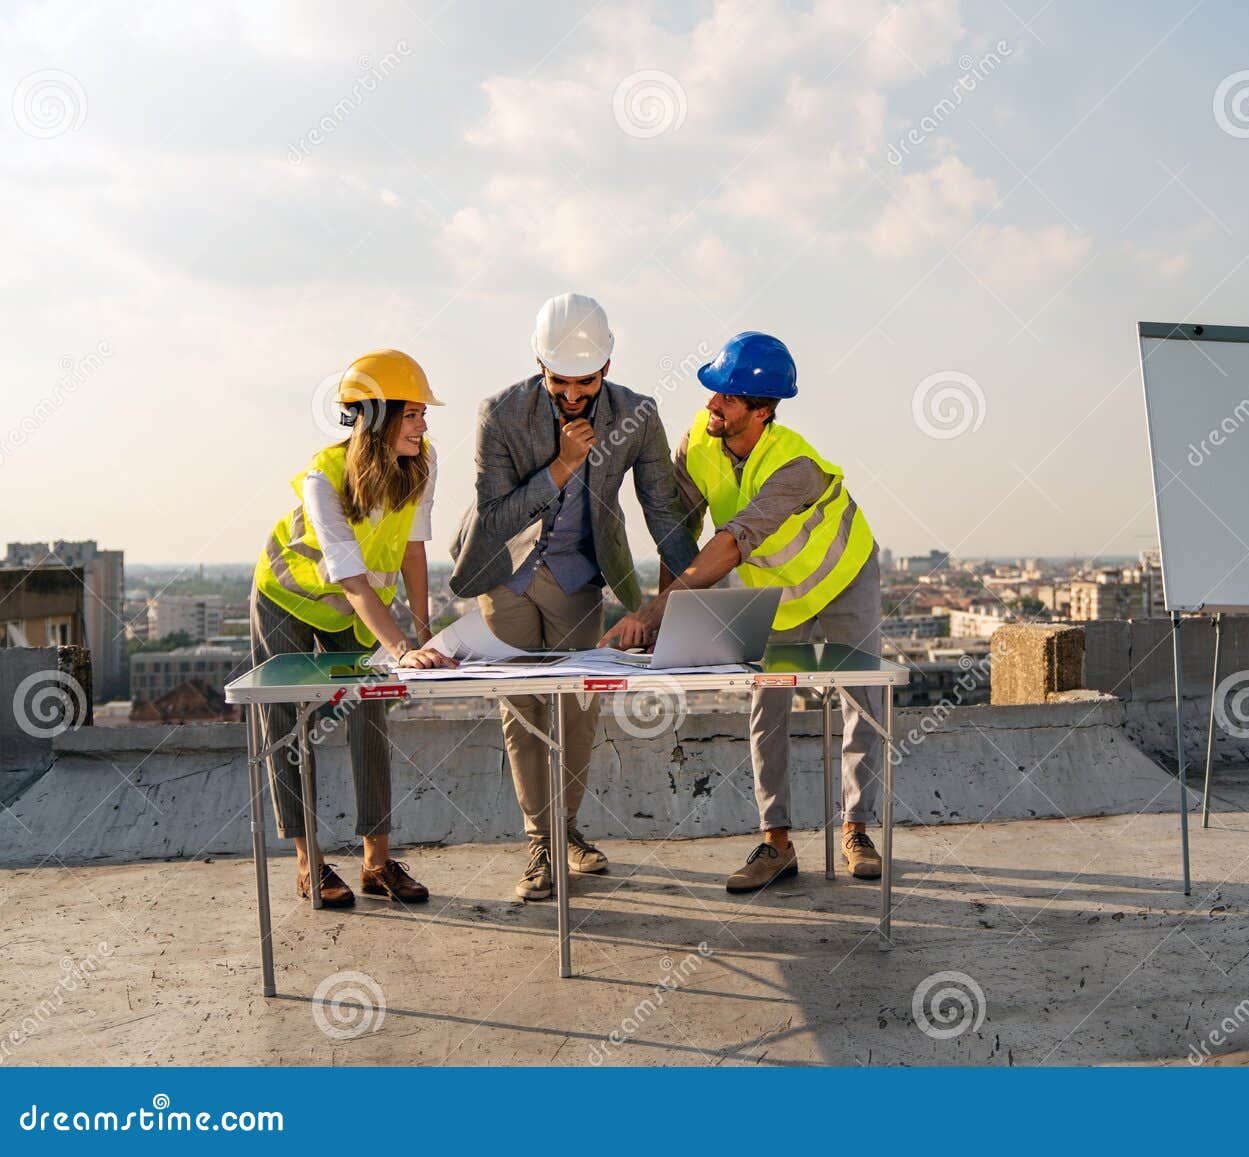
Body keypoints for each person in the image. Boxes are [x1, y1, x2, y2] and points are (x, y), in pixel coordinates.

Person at [602, 332, 885, 893]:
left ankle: (857, 830)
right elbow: (678, 536)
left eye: (726, 398)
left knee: (862, 699)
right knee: (767, 705)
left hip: (843, 580)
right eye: (713, 393)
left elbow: (731, 543)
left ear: (762, 411)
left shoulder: (794, 466)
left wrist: (657, 610)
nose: (711, 404)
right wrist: (665, 622)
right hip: (776, 596)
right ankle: (776, 843)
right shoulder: (696, 447)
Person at [449, 293, 699, 902]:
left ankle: (564, 828)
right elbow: (496, 517)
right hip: (504, 570)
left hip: (579, 576)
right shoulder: (499, 414)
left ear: (606, 369)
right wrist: (561, 467)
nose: (571, 394)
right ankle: (542, 841)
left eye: (583, 382)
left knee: (577, 707)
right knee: (524, 706)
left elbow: (664, 513)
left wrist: (692, 601)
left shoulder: (638, 413)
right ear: (540, 365)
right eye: (559, 381)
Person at [251, 349, 457, 909]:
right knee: (287, 727)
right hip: (289, 599)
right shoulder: (325, 477)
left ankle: (376, 862)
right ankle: (309, 863)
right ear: (373, 416)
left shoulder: (423, 462)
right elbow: (353, 583)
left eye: (422, 413)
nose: (423, 424)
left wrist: (422, 632)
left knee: (371, 712)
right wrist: (397, 646)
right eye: (411, 414)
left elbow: (414, 549)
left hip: (359, 608)